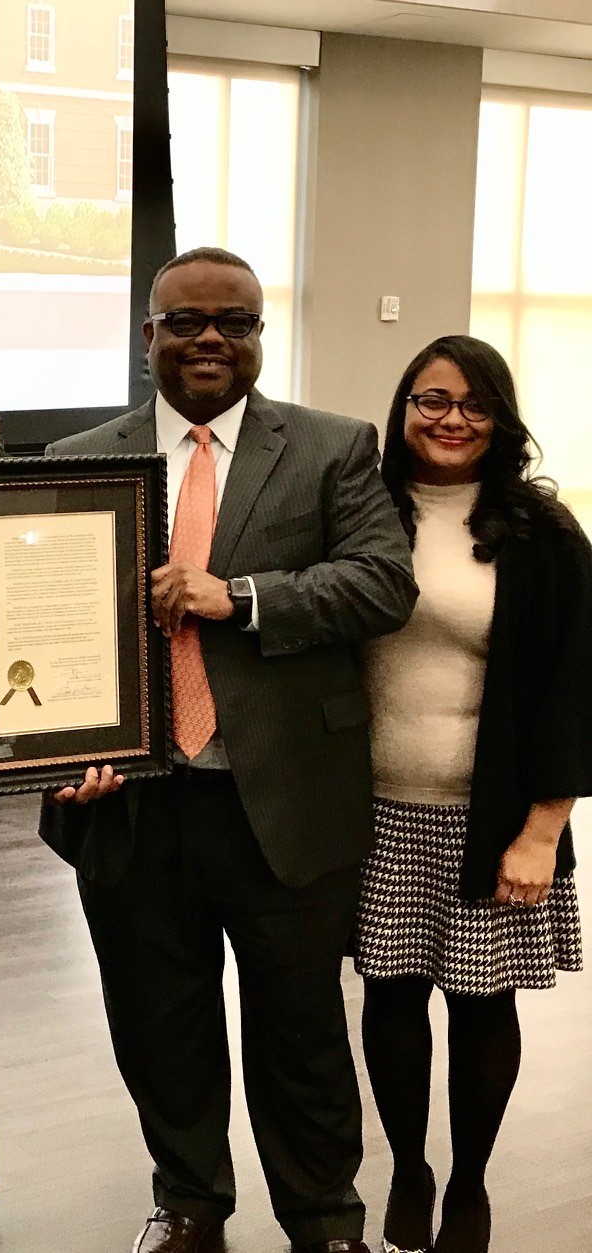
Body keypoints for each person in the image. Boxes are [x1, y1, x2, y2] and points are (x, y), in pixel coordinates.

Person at [41, 246, 416, 1253]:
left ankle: (326, 1216)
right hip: (133, 798)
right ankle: (188, 1198)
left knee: (299, 1025)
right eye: (190, 319)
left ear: (258, 333)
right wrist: (54, 742)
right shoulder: (79, 457)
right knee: (159, 1019)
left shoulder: (334, 447)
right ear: (149, 335)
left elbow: (382, 583)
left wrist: (237, 596)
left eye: (236, 320)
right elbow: (45, 629)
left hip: (285, 798)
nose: (213, 337)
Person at [353, 335, 589, 1253]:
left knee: (482, 1003)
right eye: (431, 399)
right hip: (371, 809)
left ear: (501, 419)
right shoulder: (359, 510)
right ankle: (408, 1166)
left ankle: (471, 1184)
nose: (451, 420)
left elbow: (577, 686)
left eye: (474, 404)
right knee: (391, 997)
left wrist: (542, 831)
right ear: (402, 407)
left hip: (488, 820)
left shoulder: (543, 533)